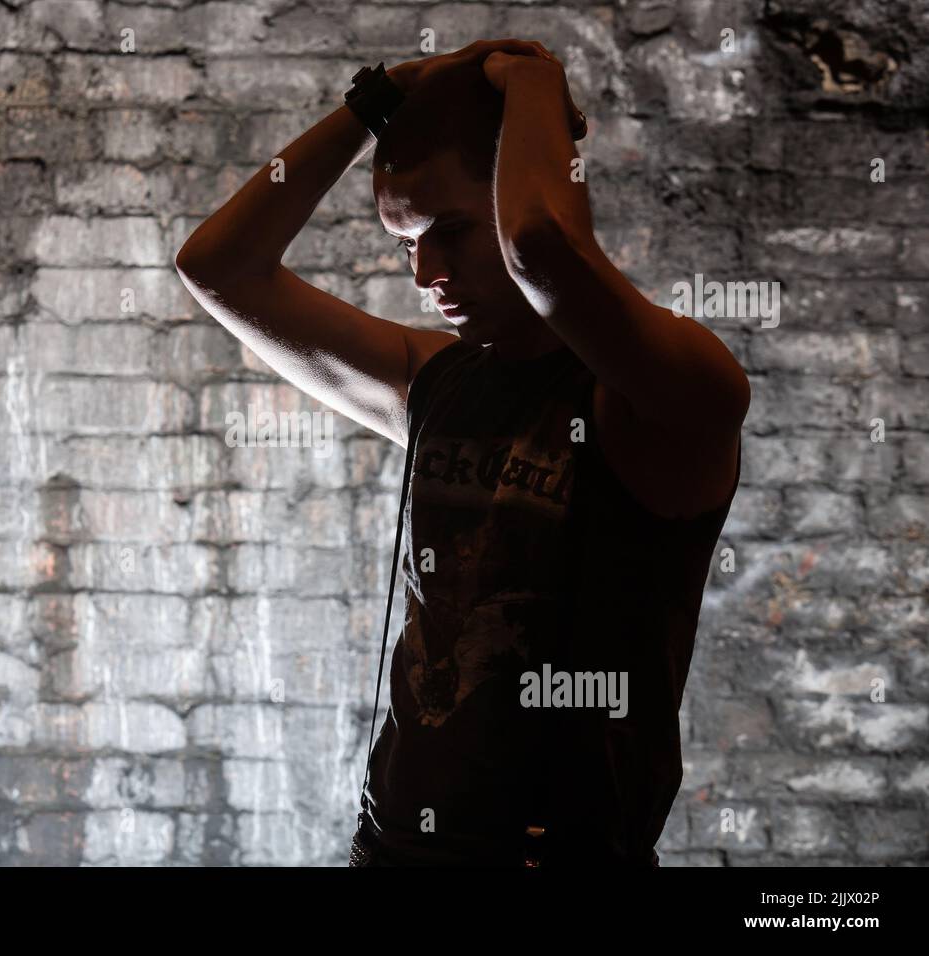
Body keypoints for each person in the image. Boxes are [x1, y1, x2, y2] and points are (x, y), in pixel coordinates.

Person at [175, 39, 749, 867]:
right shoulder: (436, 385)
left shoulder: (676, 395)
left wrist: (533, 79)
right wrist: (374, 104)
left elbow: (543, 245)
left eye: (448, 229)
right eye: (405, 242)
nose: (425, 272)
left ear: (521, 195)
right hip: (392, 846)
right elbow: (218, 267)